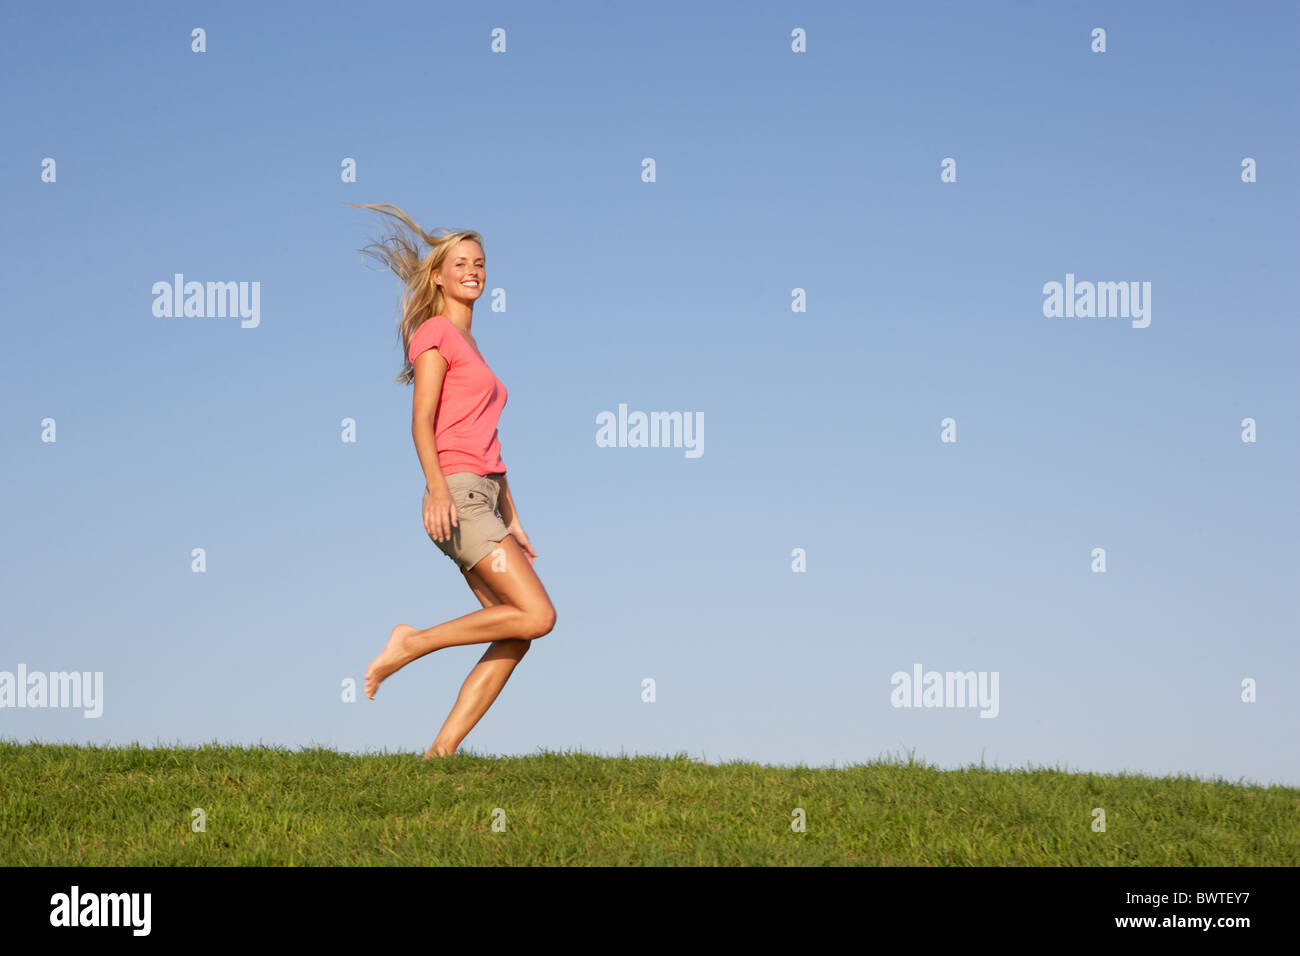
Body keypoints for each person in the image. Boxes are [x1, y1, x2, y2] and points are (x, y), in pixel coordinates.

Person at [350, 203, 556, 759]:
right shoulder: (435, 332)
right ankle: (410, 642)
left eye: (481, 263)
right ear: (437, 275)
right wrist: (438, 489)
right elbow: (422, 420)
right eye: (461, 262)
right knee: (539, 615)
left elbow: (491, 444)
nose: (474, 270)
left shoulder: (471, 346)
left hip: (483, 495)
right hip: (458, 495)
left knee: (515, 632)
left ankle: (440, 753)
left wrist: (512, 516)